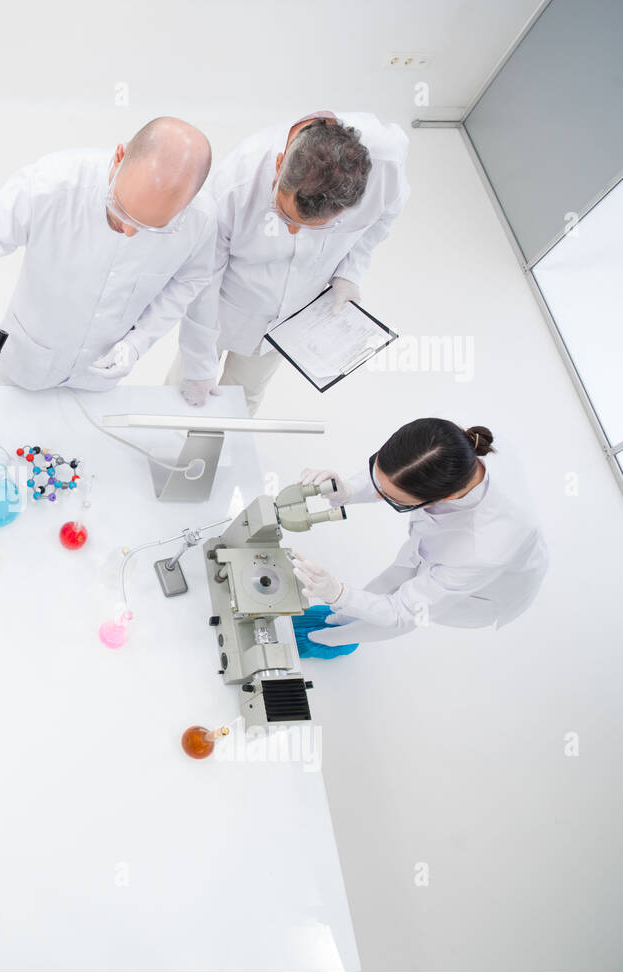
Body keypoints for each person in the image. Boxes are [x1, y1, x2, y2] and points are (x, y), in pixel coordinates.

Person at [0, 117, 215, 392]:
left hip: (99, 379)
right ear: (119, 157)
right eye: (120, 209)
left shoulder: (200, 222)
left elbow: (190, 281)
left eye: (151, 227)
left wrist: (136, 344)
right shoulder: (53, 183)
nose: (129, 231)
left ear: (190, 200)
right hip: (25, 369)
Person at [171, 111, 409, 415]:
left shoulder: (387, 164)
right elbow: (201, 273)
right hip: (223, 303)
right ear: (280, 163)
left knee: (244, 399)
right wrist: (198, 363)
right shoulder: (237, 179)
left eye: (318, 227)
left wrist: (349, 273)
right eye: (283, 215)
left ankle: (223, 455)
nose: (294, 232)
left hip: (291, 316)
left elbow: (384, 217)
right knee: (182, 389)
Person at [291, 418, 549, 647]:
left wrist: (339, 593)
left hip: (484, 584)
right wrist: (348, 490)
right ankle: (340, 616)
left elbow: (401, 613)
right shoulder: (450, 446)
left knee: (392, 613)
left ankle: (330, 641)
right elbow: (396, 477)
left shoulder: (483, 550)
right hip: (444, 544)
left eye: (392, 499)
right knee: (392, 578)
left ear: (444, 497)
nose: (379, 492)